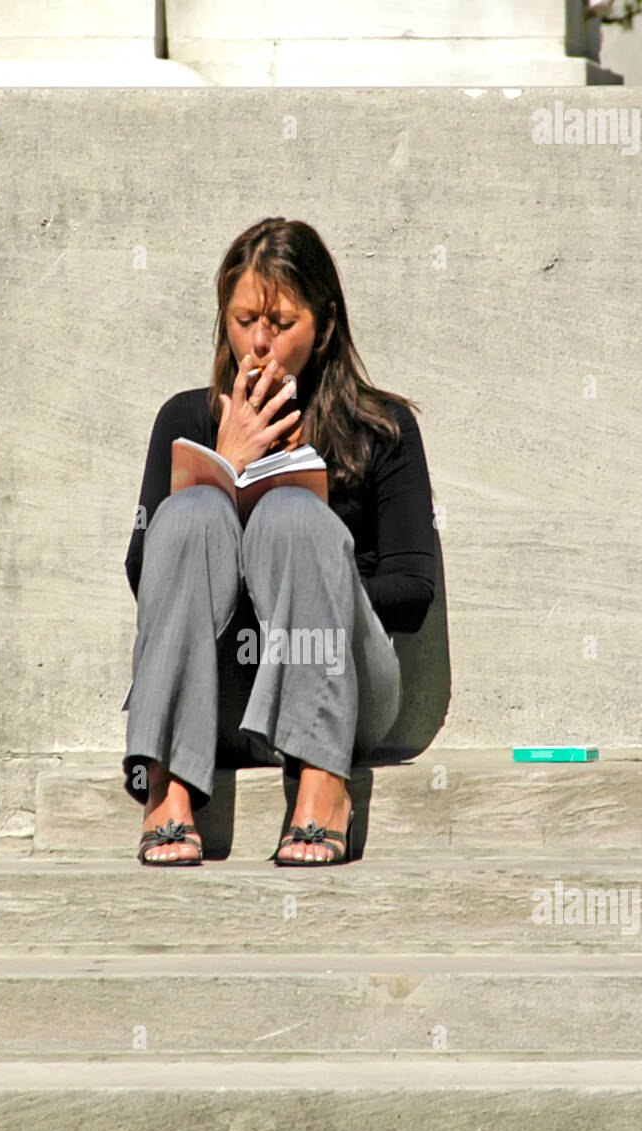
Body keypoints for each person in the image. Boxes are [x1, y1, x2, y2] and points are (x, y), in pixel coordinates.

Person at [123, 217, 436, 866]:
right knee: (188, 516)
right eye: (243, 322)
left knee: (293, 516)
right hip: (220, 690)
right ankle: (169, 787)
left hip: (340, 681)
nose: (258, 344)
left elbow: (413, 594)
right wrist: (227, 468)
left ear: (321, 327)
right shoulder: (184, 419)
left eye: (282, 324)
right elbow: (142, 573)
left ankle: (323, 785)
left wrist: (313, 568)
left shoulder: (382, 429)